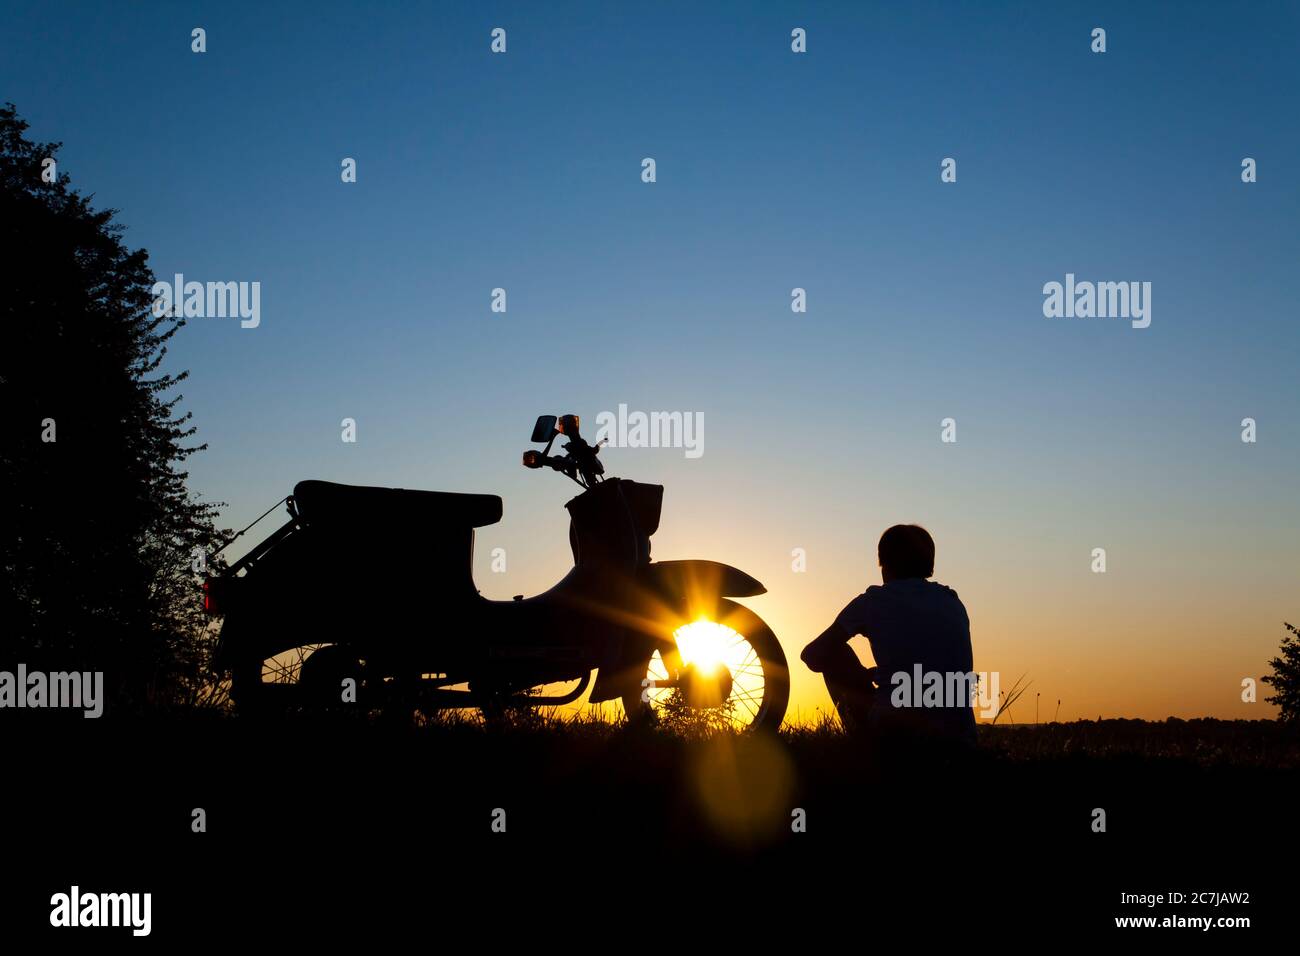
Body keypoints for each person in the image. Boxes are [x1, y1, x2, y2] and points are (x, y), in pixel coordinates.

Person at [801, 524, 977, 748]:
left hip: (894, 738)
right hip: (960, 740)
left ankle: (863, 745)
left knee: (834, 652)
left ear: (883, 564)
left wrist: (862, 677)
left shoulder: (872, 602)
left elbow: (812, 655)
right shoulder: (953, 601)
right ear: (930, 566)